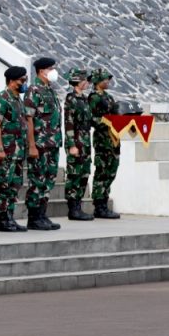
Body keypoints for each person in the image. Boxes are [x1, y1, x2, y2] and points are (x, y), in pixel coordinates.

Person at [24, 56, 62, 231]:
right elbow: (29, 119)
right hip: (39, 144)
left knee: (49, 181)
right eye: (50, 68)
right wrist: (31, 145)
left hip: (52, 143)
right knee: (37, 180)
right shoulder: (34, 90)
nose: (53, 71)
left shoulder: (50, 90)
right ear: (41, 71)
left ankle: (42, 214)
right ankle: (34, 217)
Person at [0, 67, 29, 232]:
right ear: (12, 81)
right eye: (22, 81)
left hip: (18, 151)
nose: (24, 84)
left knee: (15, 185)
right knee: (3, 185)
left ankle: (10, 217)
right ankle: (2, 220)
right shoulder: (2, 98)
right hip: (6, 150)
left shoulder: (18, 99)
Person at [89, 68, 121, 219]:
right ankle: (99, 205)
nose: (107, 82)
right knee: (102, 172)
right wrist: (106, 121)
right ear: (97, 82)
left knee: (111, 171)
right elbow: (92, 118)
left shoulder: (108, 97)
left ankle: (104, 201)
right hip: (102, 140)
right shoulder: (94, 98)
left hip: (113, 138)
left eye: (108, 79)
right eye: (104, 79)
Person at [63, 68, 95, 222]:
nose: (87, 83)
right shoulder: (71, 99)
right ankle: (73, 208)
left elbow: (91, 120)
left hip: (85, 139)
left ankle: (79, 205)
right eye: (85, 80)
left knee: (84, 173)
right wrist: (71, 144)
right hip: (76, 139)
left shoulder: (85, 99)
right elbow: (68, 123)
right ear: (78, 81)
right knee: (74, 174)